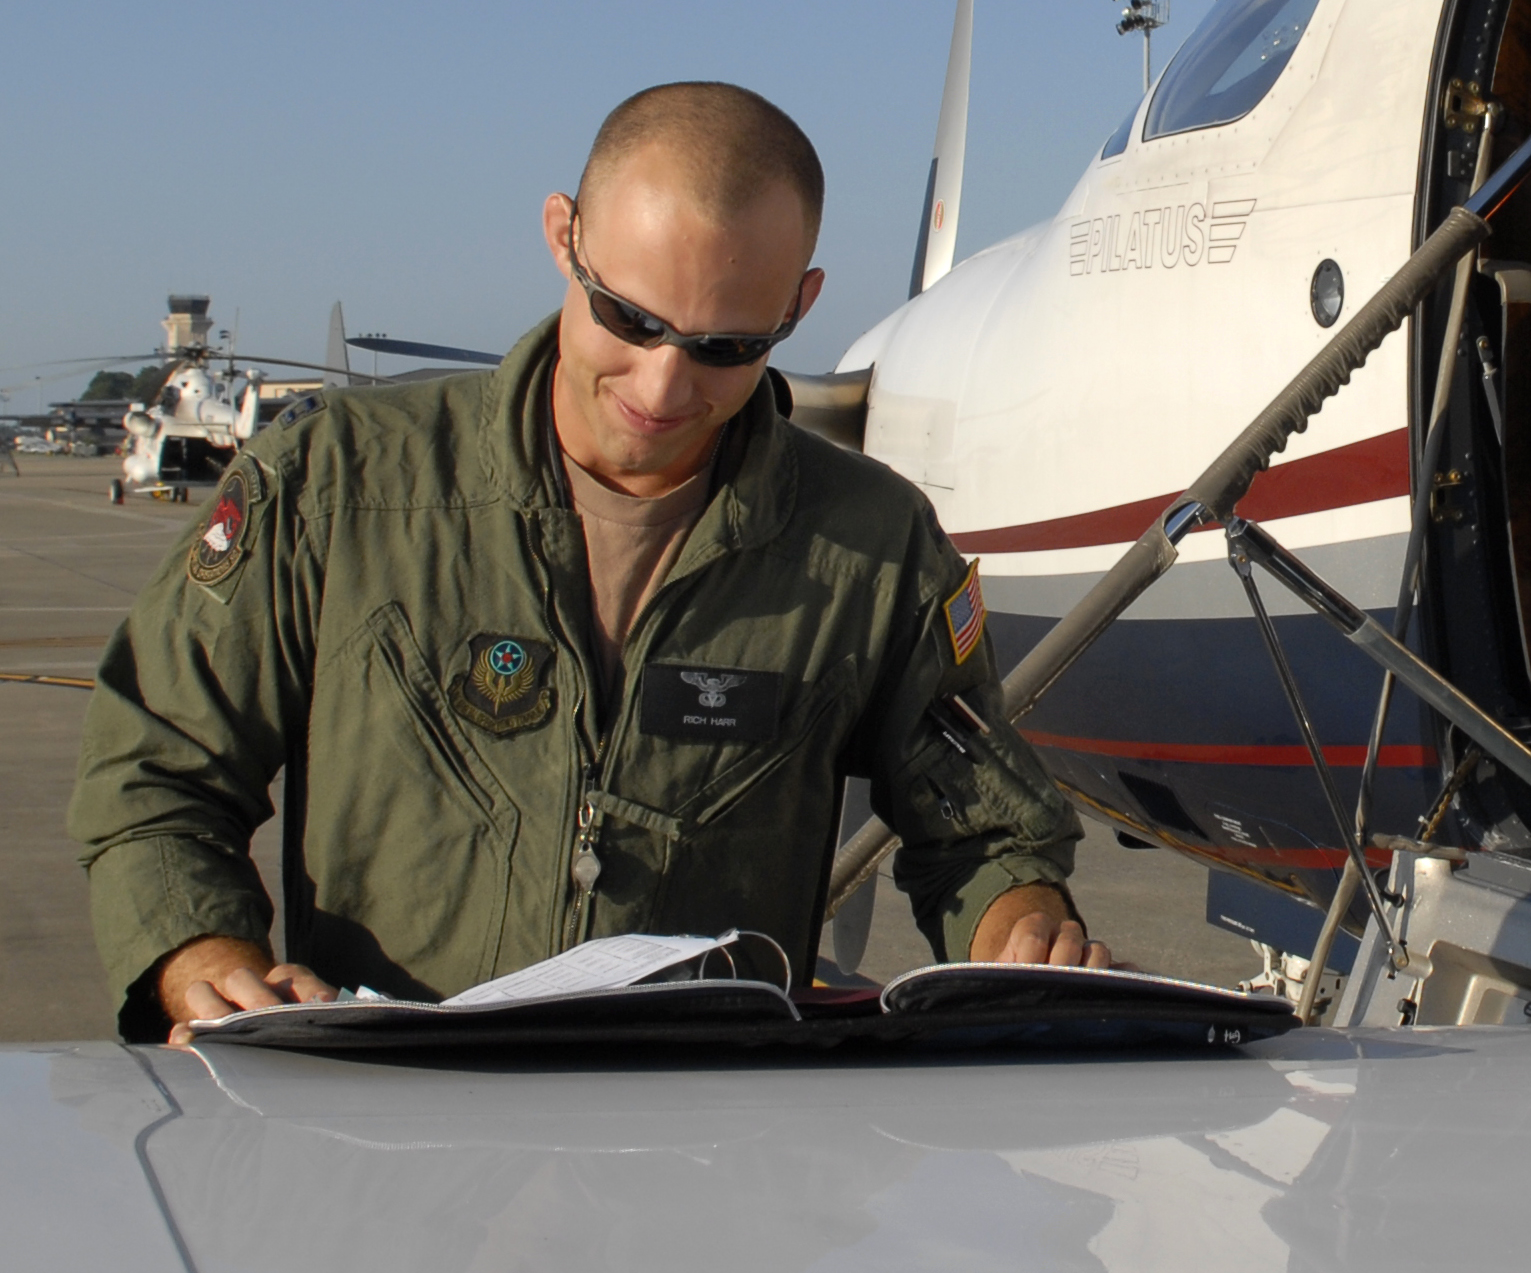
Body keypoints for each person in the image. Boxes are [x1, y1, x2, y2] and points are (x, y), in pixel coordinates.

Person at [70, 82, 1107, 1043]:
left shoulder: (872, 550)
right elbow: (157, 765)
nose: (662, 386)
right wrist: (198, 949)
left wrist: (1020, 926)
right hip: (384, 1139)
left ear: (799, 303)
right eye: (630, 319)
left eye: (725, 348)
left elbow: (979, 832)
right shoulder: (336, 488)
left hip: (703, 1152)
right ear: (565, 237)